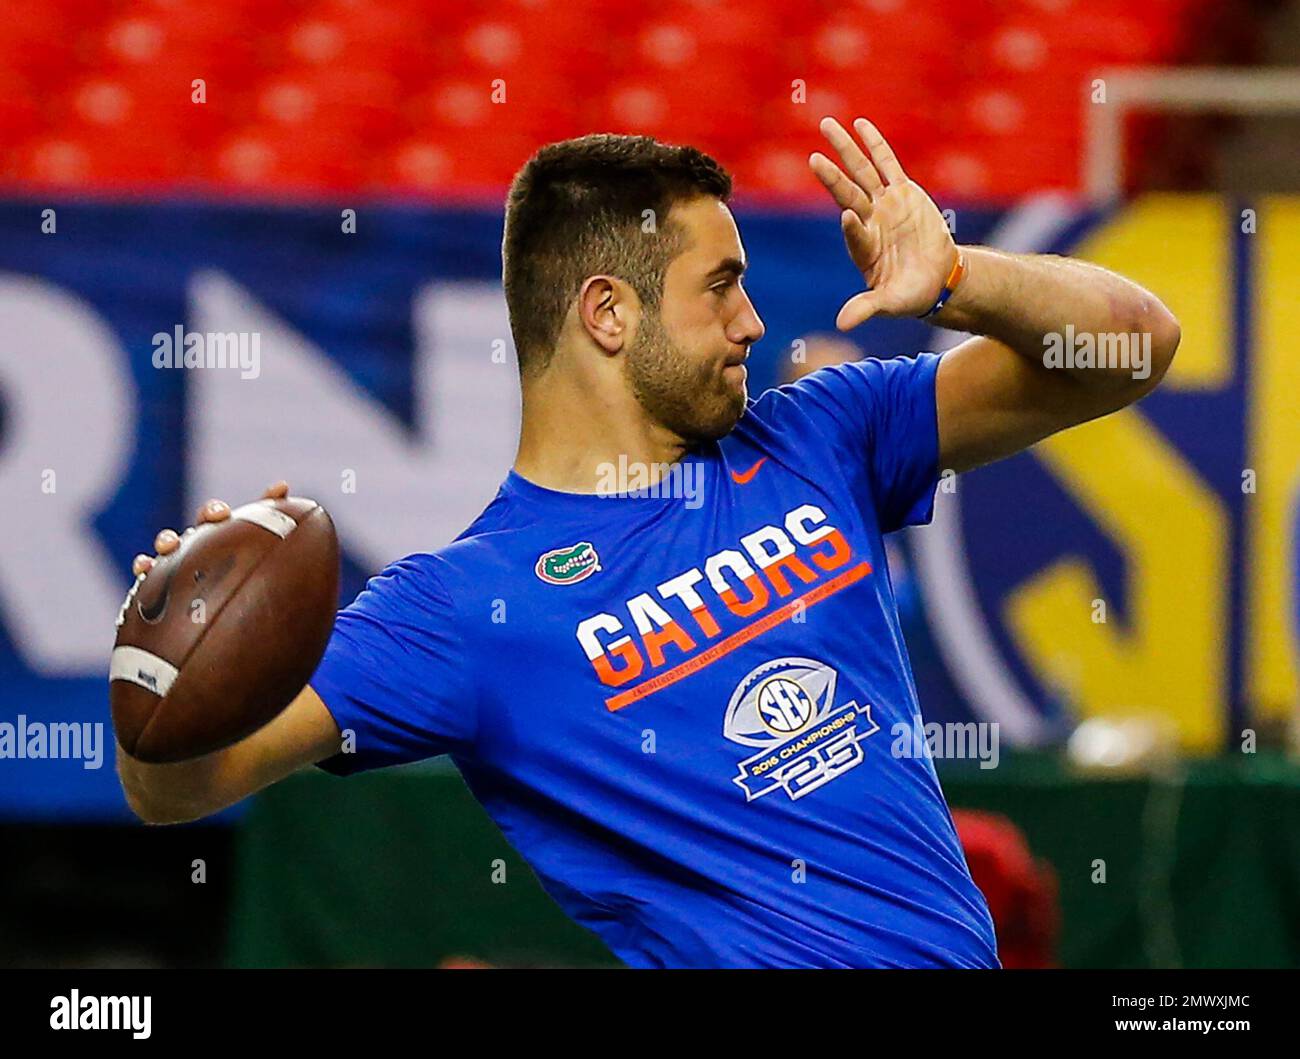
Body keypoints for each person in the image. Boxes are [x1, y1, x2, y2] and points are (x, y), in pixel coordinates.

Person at [116, 118, 1179, 968]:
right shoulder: (460, 608)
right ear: (607, 314)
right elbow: (174, 784)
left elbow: (1134, 349)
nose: (753, 322)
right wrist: (162, 653)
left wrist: (961, 278)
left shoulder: (822, 435)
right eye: (720, 286)